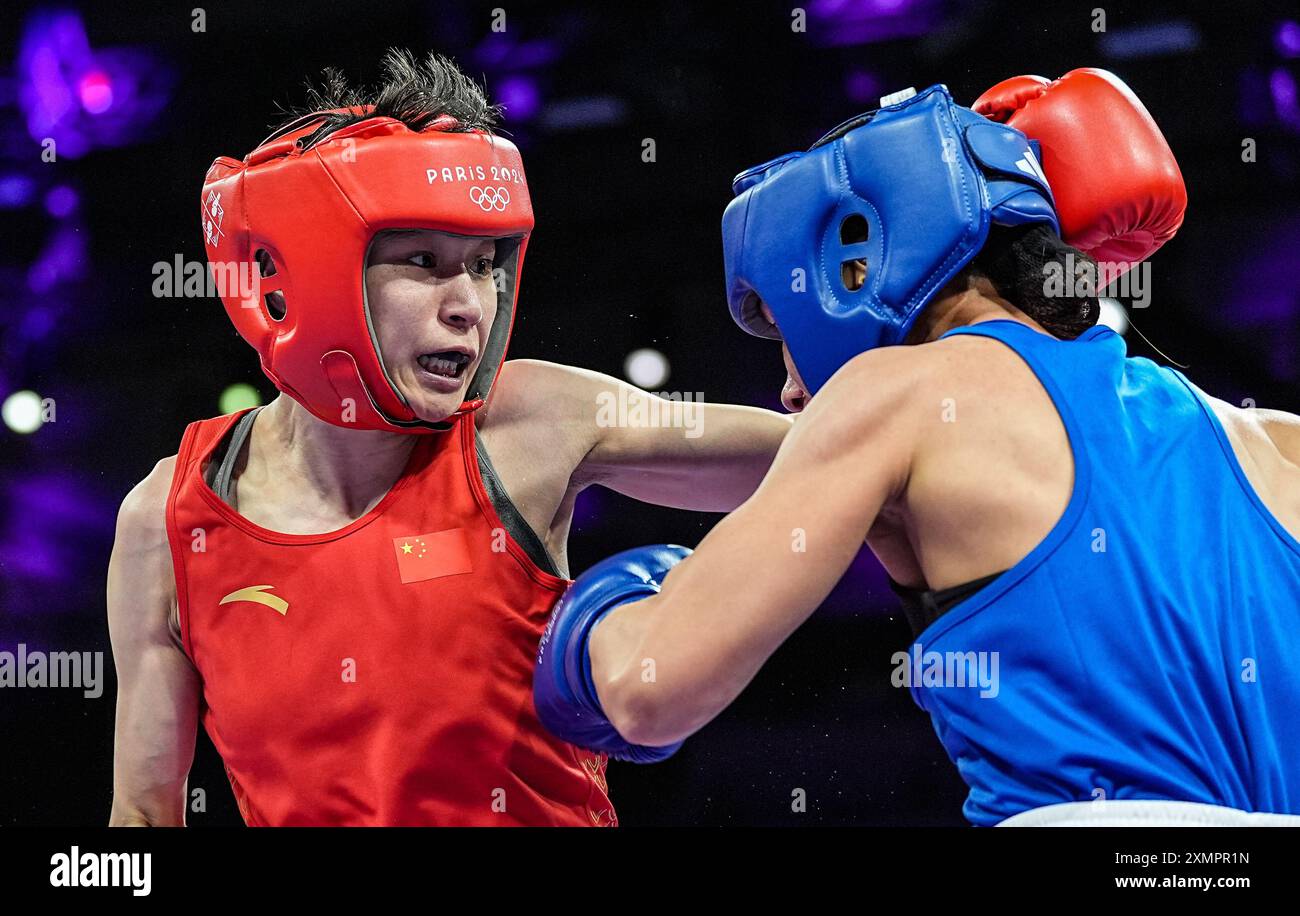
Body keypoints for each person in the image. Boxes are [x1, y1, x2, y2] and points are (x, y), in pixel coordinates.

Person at [534, 69, 1300, 826]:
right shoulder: (1280, 445)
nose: (791, 388)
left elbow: (649, 687)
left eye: (781, 326)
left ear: (854, 269)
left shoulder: (894, 392)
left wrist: (585, 620)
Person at [107, 50, 790, 827]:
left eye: (482, 264)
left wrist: (938, 363)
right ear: (301, 274)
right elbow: (140, 819)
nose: (470, 303)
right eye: (425, 262)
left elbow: (824, 456)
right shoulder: (168, 520)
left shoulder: (531, 425)